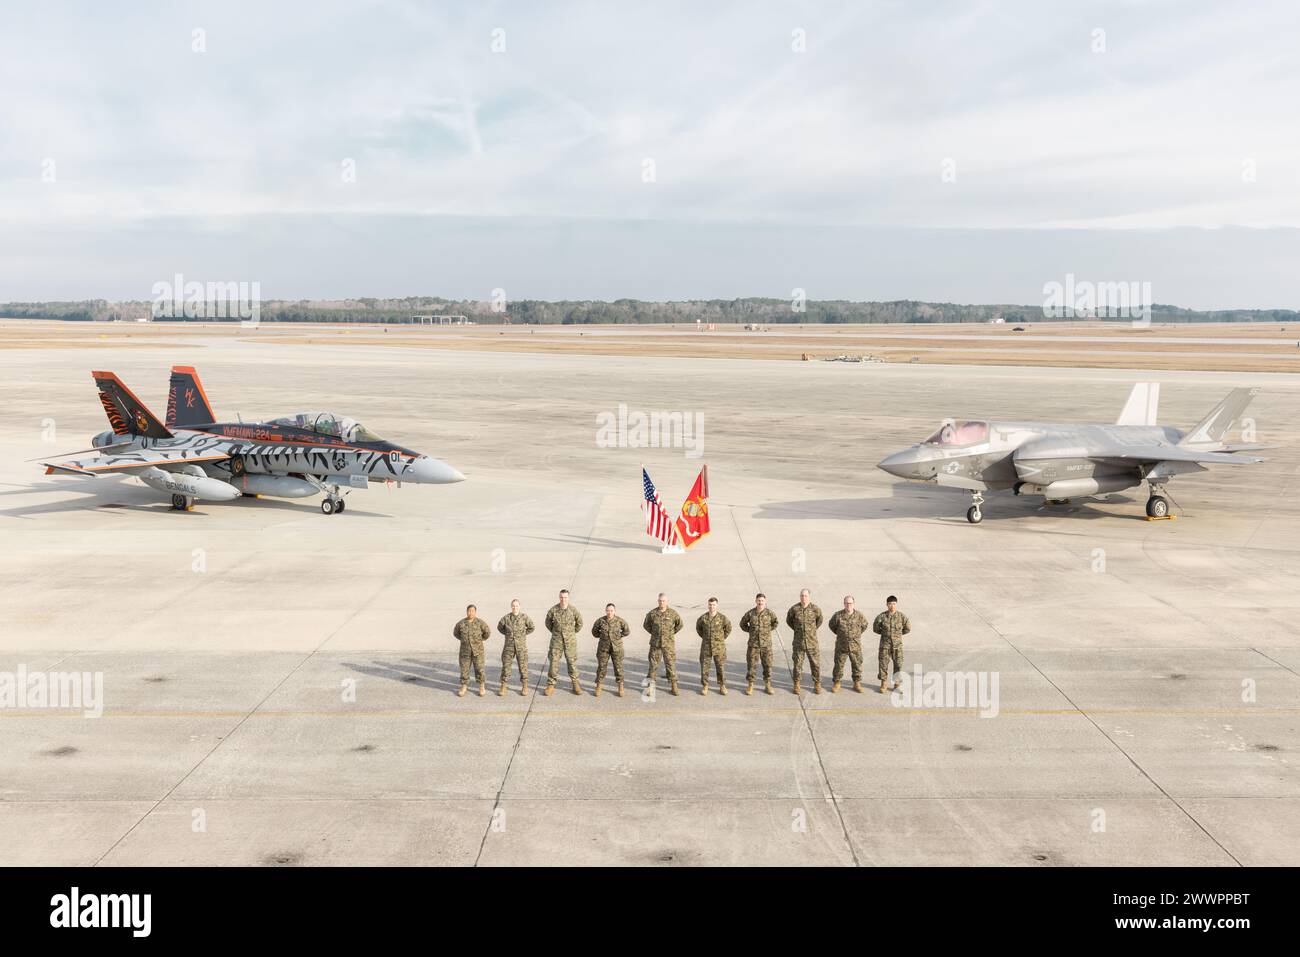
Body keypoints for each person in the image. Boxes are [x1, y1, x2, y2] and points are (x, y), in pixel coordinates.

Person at [544, 589, 584, 696]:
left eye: (565, 597)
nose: (563, 599)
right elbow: (548, 623)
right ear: (559, 597)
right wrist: (555, 632)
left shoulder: (573, 610)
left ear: (568, 598)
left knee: (572, 663)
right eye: (561, 597)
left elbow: (579, 623)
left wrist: (571, 633)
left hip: (570, 641)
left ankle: (575, 683)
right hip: (556, 641)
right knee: (553, 663)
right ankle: (551, 684)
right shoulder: (553, 610)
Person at [643, 593, 684, 696]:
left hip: (668, 645)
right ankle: (650, 688)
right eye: (660, 601)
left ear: (667, 601)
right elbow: (646, 625)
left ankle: (674, 686)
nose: (662, 602)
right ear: (658, 601)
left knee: (670, 664)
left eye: (663, 601)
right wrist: (654, 633)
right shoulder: (652, 614)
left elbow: (680, 625)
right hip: (655, 644)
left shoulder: (673, 613)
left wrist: (670, 634)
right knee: (653, 666)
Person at [827, 595, 869, 693]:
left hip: (855, 646)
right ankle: (837, 682)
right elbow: (832, 625)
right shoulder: (838, 615)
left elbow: (864, 625)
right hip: (841, 646)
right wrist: (841, 635)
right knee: (838, 665)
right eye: (846, 603)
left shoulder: (859, 615)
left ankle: (857, 683)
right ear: (844, 604)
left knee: (857, 665)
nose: (848, 605)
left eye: (850, 603)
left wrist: (856, 635)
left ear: (853, 604)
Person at [786, 589, 824, 694]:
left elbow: (819, 621)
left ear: (809, 597)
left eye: (806, 596)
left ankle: (817, 684)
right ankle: (797, 684)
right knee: (797, 665)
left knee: (815, 665)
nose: (804, 597)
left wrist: (810, 631)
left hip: (812, 642)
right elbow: (789, 621)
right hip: (799, 642)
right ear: (800, 596)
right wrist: (798, 630)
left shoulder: (815, 609)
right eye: (802, 595)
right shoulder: (794, 609)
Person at [739, 592, 779, 695]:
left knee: (767, 665)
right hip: (753, 645)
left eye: (762, 601)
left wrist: (767, 630)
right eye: (759, 600)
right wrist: (751, 631)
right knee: (752, 666)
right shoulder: (750, 613)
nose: (760, 602)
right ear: (756, 601)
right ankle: (750, 685)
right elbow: (742, 624)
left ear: (765, 602)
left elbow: (775, 622)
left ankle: (768, 685)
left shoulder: (770, 613)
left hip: (766, 645)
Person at [873, 595, 911, 694]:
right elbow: (875, 628)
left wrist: (897, 635)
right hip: (885, 645)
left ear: (896, 604)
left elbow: (907, 628)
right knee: (883, 664)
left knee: (898, 665)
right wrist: (885, 634)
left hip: (897, 646)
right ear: (887, 605)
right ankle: (883, 684)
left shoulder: (902, 617)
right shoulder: (881, 617)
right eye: (890, 604)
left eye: (894, 604)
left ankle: (897, 684)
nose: (892, 606)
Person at [591, 602, 631, 697]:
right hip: (603, 648)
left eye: (611, 610)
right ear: (605, 611)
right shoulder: (600, 621)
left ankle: (620, 686)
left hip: (617, 648)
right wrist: (602, 636)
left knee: (618, 667)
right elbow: (594, 632)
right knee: (601, 667)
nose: (609, 612)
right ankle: (599, 686)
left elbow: (627, 631)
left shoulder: (620, 621)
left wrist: (618, 636)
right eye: (608, 610)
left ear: (614, 611)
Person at [495, 599, 534, 696]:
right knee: (506, 666)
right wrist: (508, 635)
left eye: (516, 606)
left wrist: (522, 635)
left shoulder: (524, 617)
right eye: (513, 606)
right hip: (509, 646)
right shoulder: (506, 618)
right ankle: (503, 686)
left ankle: (525, 686)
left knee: (523, 666)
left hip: (521, 647)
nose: (515, 608)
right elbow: (500, 627)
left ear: (519, 607)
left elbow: (531, 627)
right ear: (511, 607)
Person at [694, 597, 732, 696]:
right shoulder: (703, 618)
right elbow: (699, 629)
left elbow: (728, 628)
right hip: (706, 647)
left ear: (717, 605)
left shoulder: (722, 618)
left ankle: (722, 685)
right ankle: (705, 686)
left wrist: (721, 639)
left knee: (720, 667)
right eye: (710, 605)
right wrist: (705, 638)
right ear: (708, 605)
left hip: (719, 648)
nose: (712, 607)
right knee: (705, 667)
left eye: (714, 605)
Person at [453, 604, 491, 697]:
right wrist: (464, 640)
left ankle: (481, 686)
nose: (471, 613)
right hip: (465, 652)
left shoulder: (480, 622)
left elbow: (487, 632)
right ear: (466, 612)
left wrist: (479, 640)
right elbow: (456, 633)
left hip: (477, 651)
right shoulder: (461, 623)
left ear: (475, 612)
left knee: (479, 669)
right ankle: (464, 686)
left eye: (473, 611)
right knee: (464, 670)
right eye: (469, 611)